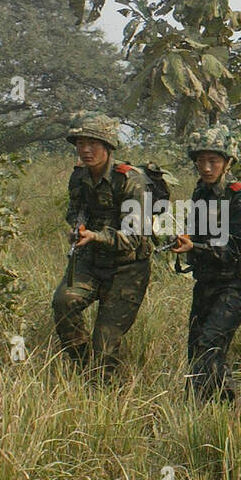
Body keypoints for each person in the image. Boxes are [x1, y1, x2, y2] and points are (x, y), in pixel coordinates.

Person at [52, 112, 153, 379]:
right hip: (91, 260)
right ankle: (82, 367)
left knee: (105, 345)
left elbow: (133, 237)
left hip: (127, 269)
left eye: (93, 143)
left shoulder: (132, 180)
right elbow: (74, 211)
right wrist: (78, 229)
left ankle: (104, 387)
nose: (85, 150)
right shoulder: (78, 177)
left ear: (108, 146)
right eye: (80, 143)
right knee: (64, 303)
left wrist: (95, 235)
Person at [165, 123, 241, 401]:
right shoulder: (200, 193)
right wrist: (182, 239)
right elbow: (196, 229)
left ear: (228, 162)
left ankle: (219, 405)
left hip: (234, 286)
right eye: (200, 161)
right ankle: (206, 405)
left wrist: (197, 247)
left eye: (213, 161)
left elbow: (232, 251)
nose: (205, 167)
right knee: (197, 347)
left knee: (210, 343)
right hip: (205, 282)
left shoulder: (240, 198)